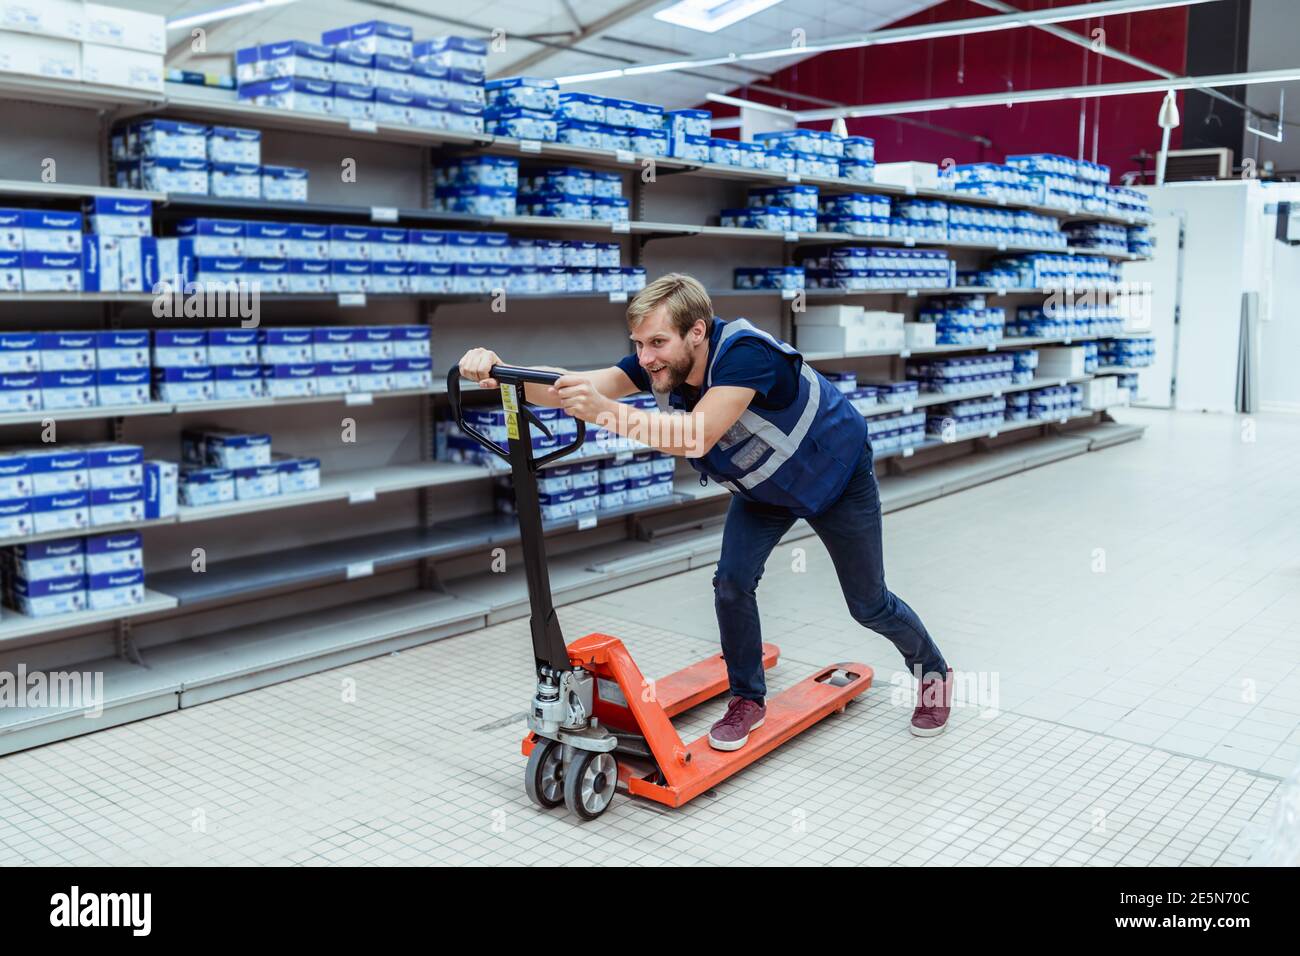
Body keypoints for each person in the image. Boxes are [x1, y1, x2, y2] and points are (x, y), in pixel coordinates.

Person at [457, 273, 953, 750]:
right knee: (732, 584)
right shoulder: (661, 363)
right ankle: (746, 699)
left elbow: (696, 435)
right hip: (763, 491)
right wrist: (501, 372)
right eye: (638, 344)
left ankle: (933, 673)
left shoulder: (745, 355)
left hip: (838, 479)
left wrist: (603, 412)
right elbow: (573, 387)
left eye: (656, 343)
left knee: (869, 604)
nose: (643, 357)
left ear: (697, 332)